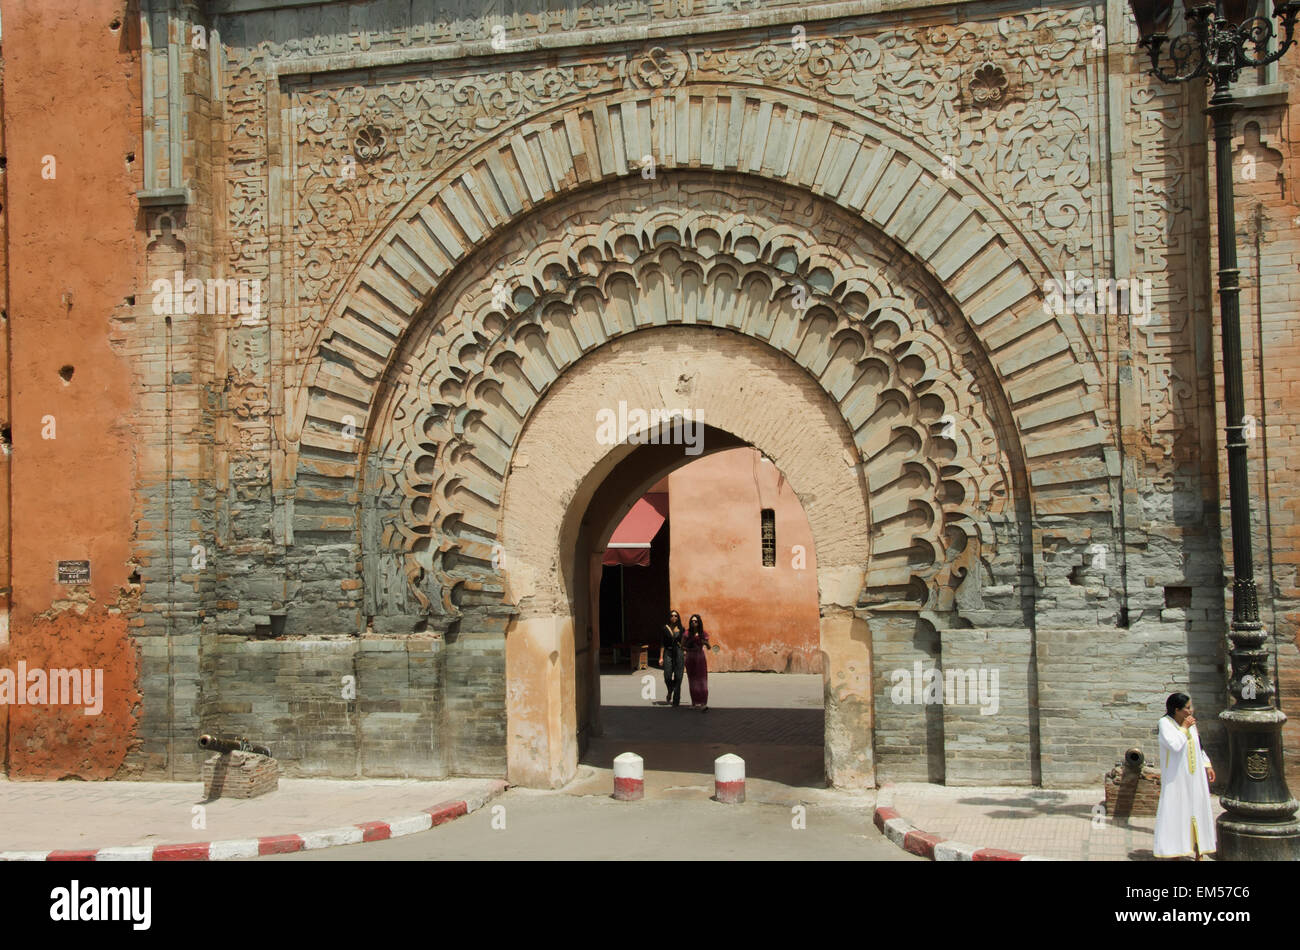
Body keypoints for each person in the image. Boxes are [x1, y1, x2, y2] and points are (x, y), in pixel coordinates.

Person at [1153, 692, 1216, 860]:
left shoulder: (1190, 724)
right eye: (1187, 708)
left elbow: (1198, 746)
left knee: (1198, 810)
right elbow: (1174, 744)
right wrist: (1184, 728)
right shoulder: (1165, 723)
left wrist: (1207, 765)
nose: (1191, 711)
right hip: (1176, 779)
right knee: (1177, 813)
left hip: (1195, 778)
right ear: (1177, 710)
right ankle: (1176, 852)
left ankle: (1199, 853)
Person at [684, 613, 710, 711]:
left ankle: (703, 703)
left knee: (702, 680)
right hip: (690, 657)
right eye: (692, 621)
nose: (693, 623)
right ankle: (694, 702)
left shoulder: (704, 633)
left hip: (700, 657)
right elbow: (682, 646)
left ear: (699, 622)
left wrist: (705, 643)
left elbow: (709, 647)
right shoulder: (686, 633)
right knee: (692, 680)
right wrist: (688, 647)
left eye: (695, 621)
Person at [660, 610, 685, 707]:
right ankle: (670, 689)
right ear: (669, 617)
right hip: (668, 652)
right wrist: (661, 657)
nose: (674, 617)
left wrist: (685, 653)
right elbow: (662, 643)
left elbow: (684, 643)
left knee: (678, 677)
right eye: (672, 615)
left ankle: (676, 700)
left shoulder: (682, 629)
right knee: (667, 676)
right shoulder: (665, 628)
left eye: (676, 616)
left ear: (678, 618)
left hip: (679, 652)